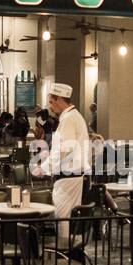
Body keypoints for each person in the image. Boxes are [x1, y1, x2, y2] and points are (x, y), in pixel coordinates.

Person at [35, 83, 90, 252]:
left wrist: (43, 167)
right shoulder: (73, 117)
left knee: (64, 224)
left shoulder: (69, 119)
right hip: (72, 177)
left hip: (68, 179)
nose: (50, 107)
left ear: (60, 100)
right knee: (71, 225)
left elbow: (63, 150)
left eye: (51, 102)